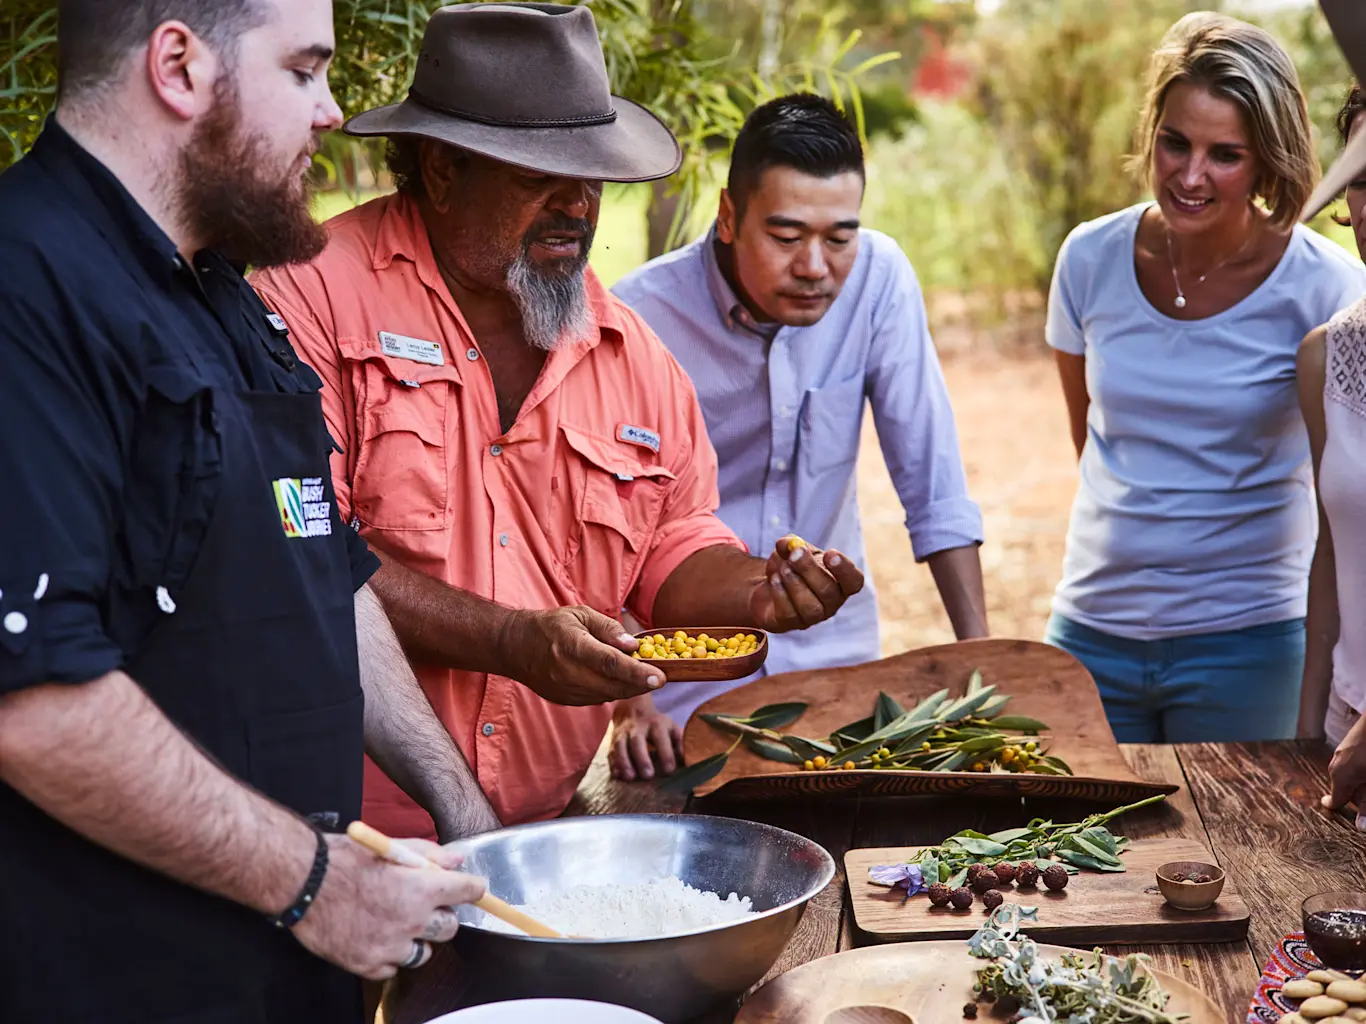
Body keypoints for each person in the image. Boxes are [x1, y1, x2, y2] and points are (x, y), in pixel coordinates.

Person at [250, 3, 866, 835]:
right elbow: (300, 547)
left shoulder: (634, 358)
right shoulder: (310, 297)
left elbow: (672, 548)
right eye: (538, 175)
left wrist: (762, 590)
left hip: (542, 825)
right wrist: (510, 641)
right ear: (440, 169)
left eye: (592, 178)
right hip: (335, 825)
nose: (577, 205)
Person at [0, 2, 503, 1020]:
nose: (334, 110)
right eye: (307, 70)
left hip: (291, 975)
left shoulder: (221, 286)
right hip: (124, 984)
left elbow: (322, 561)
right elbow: (32, 701)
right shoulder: (27, 287)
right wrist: (315, 882)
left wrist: (466, 812)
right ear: (179, 66)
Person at [610, 94, 987, 776]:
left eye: (839, 237)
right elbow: (604, 531)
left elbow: (933, 483)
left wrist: (980, 655)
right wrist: (630, 698)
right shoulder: (638, 318)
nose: (816, 265)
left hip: (837, 669)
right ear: (728, 217)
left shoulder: (879, 280)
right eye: (787, 237)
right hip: (684, 686)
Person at [1042, 12, 1366, 744]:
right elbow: (1089, 441)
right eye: (1175, 143)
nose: (1190, 176)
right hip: (1092, 630)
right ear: (1150, 133)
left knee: (1248, 857)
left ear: (1268, 160)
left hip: (1253, 641)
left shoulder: (1328, 286)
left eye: (1225, 154)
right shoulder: (1088, 258)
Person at [1299, 83, 1366, 821]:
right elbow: (1331, 548)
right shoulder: (1326, 357)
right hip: (1343, 735)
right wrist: (1306, 721)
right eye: (1361, 181)